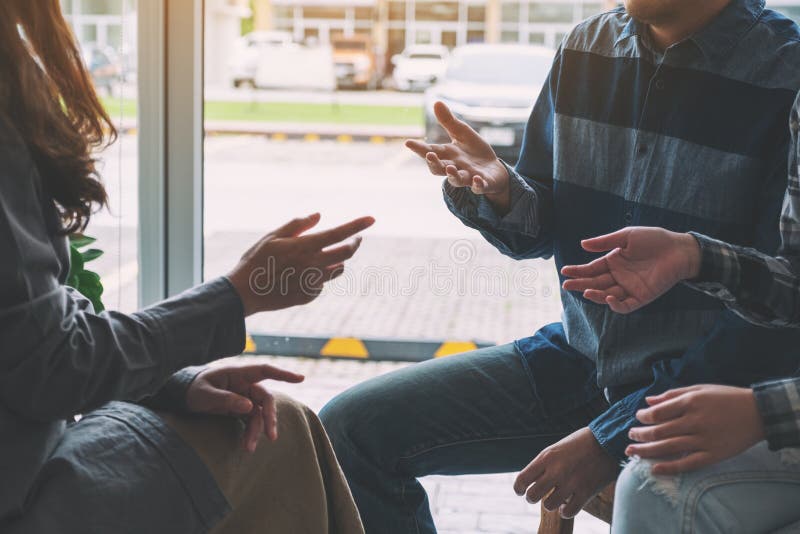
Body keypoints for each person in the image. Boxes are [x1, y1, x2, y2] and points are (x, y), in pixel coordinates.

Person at [319, 0, 800, 531]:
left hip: (707, 386)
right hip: (578, 360)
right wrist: (501, 192)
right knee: (348, 432)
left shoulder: (785, 70)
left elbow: (777, 313)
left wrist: (607, 439)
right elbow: (542, 226)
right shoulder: (585, 47)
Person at [0, 2, 373, 532]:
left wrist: (173, 383)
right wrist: (236, 295)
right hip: (25, 497)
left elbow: (29, 340)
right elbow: (53, 365)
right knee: (279, 428)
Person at [560, 95, 800, 532]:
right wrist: (692, 255)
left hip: (766, 398)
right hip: (577, 357)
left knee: (655, 490)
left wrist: (767, 411)